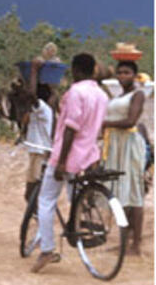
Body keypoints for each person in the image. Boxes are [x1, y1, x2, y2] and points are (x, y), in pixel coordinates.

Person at [31, 54, 108, 273]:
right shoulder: (101, 95)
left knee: (46, 201)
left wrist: (62, 161)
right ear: (93, 70)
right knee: (74, 195)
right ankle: (76, 228)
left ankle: (47, 249)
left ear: (74, 70)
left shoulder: (76, 92)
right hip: (88, 155)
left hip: (68, 155)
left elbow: (71, 129)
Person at [102, 60, 147, 256]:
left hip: (129, 144)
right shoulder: (120, 95)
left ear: (134, 75)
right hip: (115, 144)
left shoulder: (138, 95)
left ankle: (136, 244)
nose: (122, 76)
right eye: (119, 72)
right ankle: (125, 241)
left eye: (127, 72)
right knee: (121, 192)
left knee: (134, 193)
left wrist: (105, 123)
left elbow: (131, 120)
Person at [20, 60, 54, 201]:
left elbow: (31, 95)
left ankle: (40, 217)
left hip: (41, 152)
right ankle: (37, 216)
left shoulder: (44, 109)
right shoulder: (37, 111)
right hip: (36, 151)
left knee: (33, 193)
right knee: (30, 193)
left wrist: (33, 71)